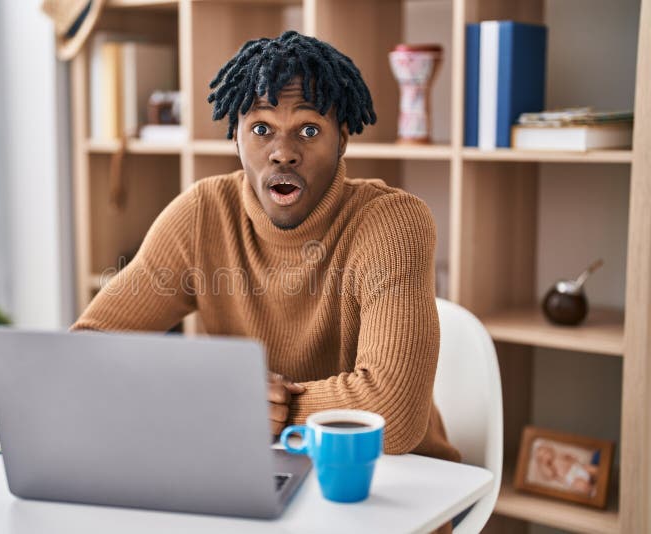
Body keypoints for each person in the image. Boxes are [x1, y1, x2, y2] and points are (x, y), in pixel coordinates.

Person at [72, 30, 460, 465]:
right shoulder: (203, 214)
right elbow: (85, 354)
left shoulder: (391, 222)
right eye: (261, 129)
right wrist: (209, 394)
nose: (283, 153)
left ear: (343, 139)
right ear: (234, 137)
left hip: (393, 481)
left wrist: (253, 406)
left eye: (309, 130)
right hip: (257, 469)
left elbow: (395, 413)